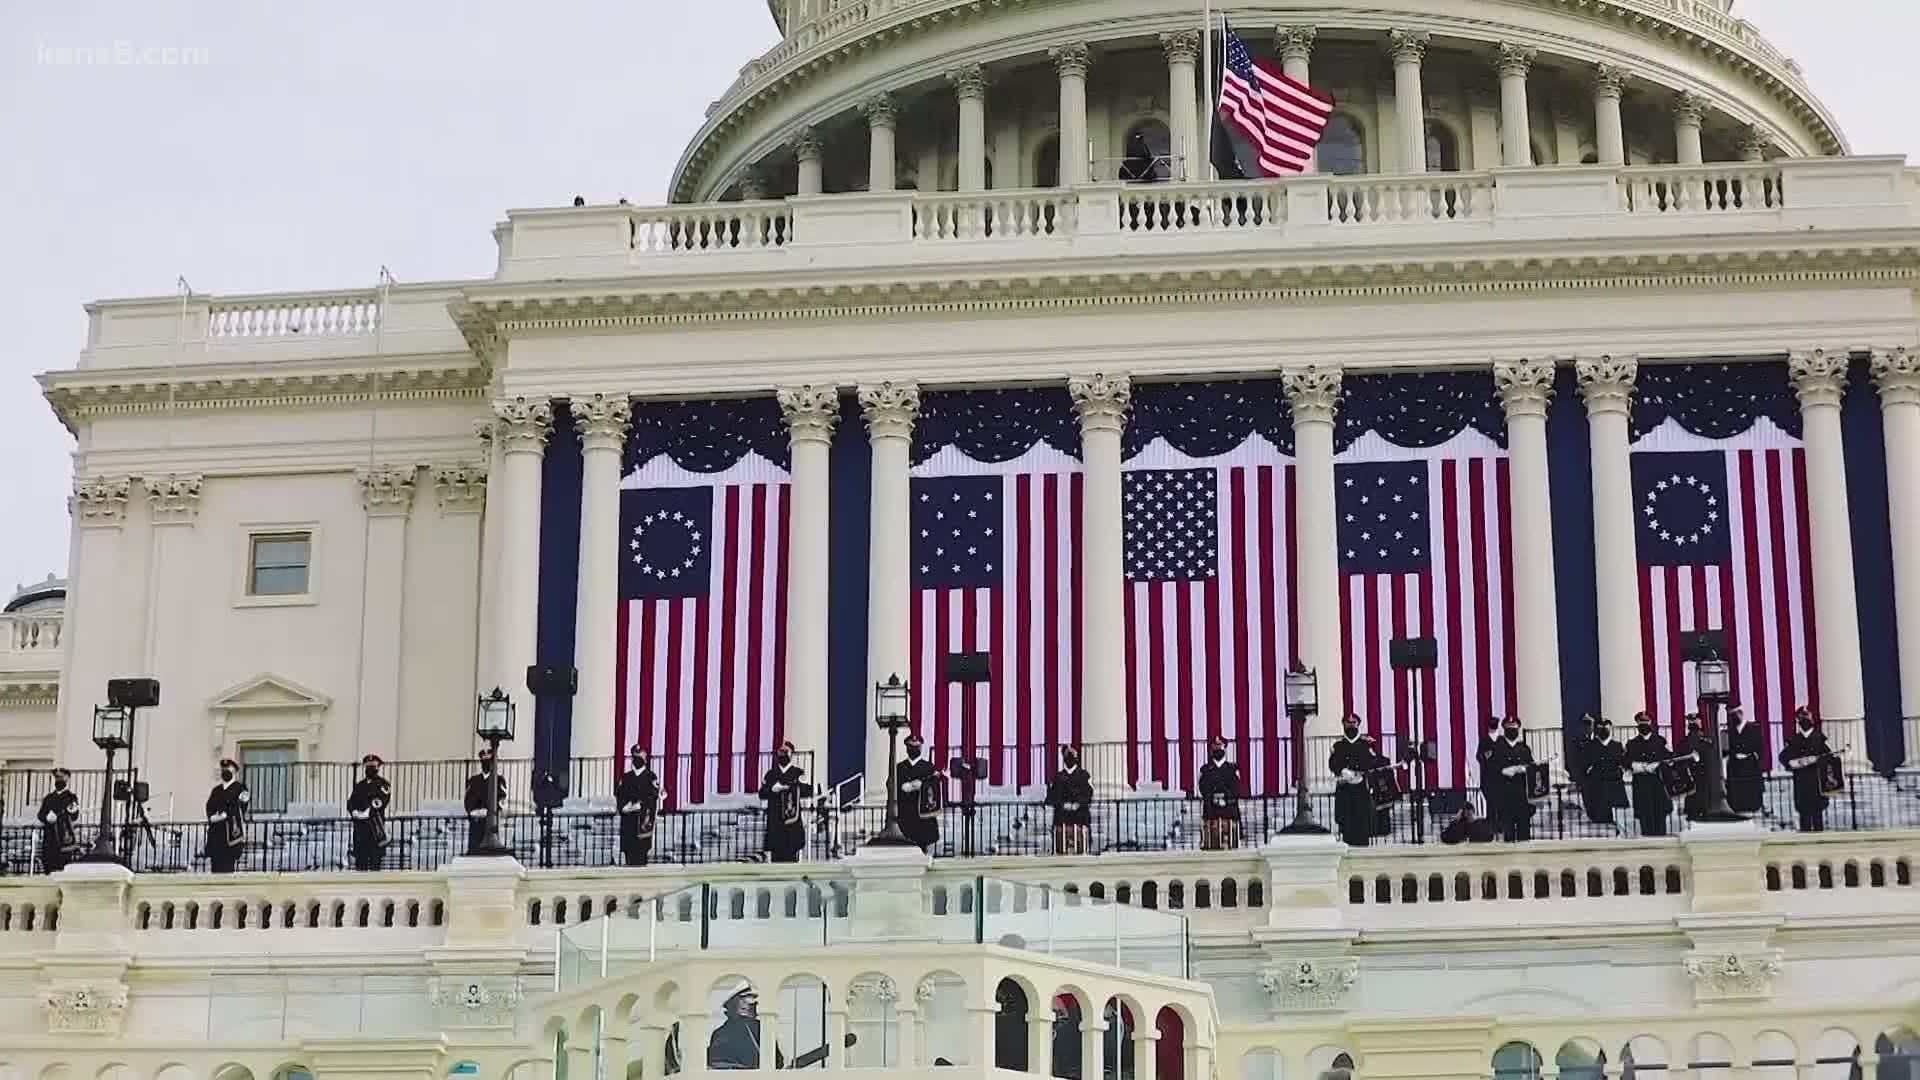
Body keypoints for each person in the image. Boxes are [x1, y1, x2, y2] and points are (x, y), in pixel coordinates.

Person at [1329, 716, 1385, 847]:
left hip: (1360, 787)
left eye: (1353, 723)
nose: (1351, 726)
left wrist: (1362, 772)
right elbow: (1333, 763)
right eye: (1348, 723)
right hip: (1345, 788)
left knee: (1362, 819)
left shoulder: (1366, 744)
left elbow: (1374, 762)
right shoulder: (1338, 745)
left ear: (1358, 724)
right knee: (1346, 819)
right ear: (1343, 724)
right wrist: (1342, 770)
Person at [1779, 707, 1832, 833]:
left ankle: (1819, 835)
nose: (1805, 720)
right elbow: (1783, 757)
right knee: (1804, 812)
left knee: (1817, 812)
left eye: (1807, 716)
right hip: (1801, 779)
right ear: (1798, 720)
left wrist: (1818, 762)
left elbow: (1828, 757)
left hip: (1816, 779)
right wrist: (1793, 764)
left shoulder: (1819, 738)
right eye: (1802, 717)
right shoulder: (1794, 740)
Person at [1623, 712, 1676, 837]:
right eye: (1641, 723)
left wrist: (1658, 765)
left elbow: (1670, 759)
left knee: (1659, 815)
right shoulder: (1632, 744)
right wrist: (1637, 766)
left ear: (1650, 723)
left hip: (1657, 783)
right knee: (1644, 815)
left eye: (1646, 722)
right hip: (1641, 784)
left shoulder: (1660, 741)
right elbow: (1625, 761)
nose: (1644, 725)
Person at [1483, 717, 1536, 842]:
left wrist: (1524, 769)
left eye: (1514, 728)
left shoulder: (1524, 749)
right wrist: (1503, 771)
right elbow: (1489, 770)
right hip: (1505, 797)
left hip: (1522, 796)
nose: (1512, 730)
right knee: (1508, 833)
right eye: (1509, 728)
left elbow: (1532, 767)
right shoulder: (1497, 748)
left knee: (1524, 833)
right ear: (1504, 729)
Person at [759, 742, 811, 862]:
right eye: (780, 752)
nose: (782, 754)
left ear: (791, 754)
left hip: (791, 821)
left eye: (785, 752)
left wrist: (790, 787)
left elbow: (807, 790)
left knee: (791, 854)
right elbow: (762, 793)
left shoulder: (798, 773)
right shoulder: (770, 774)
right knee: (776, 856)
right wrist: (772, 789)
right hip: (775, 820)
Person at [617, 746, 664, 867]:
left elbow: (654, 794)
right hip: (629, 819)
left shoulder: (650, 776)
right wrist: (625, 806)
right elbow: (620, 794)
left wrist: (641, 804)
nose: (637, 759)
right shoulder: (626, 777)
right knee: (629, 851)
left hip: (643, 819)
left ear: (645, 759)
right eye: (635, 757)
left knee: (641, 851)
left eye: (640, 757)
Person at [1578, 717, 1628, 830]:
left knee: (1616, 820)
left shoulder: (1617, 746)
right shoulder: (1590, 746)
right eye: (1600, 727)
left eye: (1606, 727)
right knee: (1598, 819)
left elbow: (1623, 763)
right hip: (1597, 786)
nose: (1603, 730)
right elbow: (1584, 766)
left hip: (1614, 785)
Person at [895, 734, 941, 854]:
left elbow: (935, 786)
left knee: (922, 844)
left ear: (920, 749)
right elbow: (891, 785)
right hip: (906, 811)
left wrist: (922, 785)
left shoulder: (928, 766)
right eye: (911, 747)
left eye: (917, 747)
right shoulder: (899, 767)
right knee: (907, 844)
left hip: (923, 812)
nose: (914, 749)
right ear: (907, 748)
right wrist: (902, 787)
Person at [205, 757, 250, 873]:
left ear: (234, 771)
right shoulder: (216, 790)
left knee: (227, 868)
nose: (225, 772)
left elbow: (242, 805)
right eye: (223, 769)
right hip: (216, 835)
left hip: (231, 834)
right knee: (215, 868)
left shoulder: (240, 788)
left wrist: (227, 815)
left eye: (228, 769)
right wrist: (212, 817)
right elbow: (209, 807)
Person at [347, 754, 390, 871]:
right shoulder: (359, 785)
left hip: (375, 827)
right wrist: (354, 811)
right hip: (360, 828)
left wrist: (368, 811)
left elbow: (381, 801)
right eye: (368, 766)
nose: (370, 768)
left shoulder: (383, 784)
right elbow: (351, 801)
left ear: (377, 767)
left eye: (373, 766)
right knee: (360, 862)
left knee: (375, 862)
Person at [1046, 748, 1093, 855]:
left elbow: (1088, 794)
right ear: (1064, 760)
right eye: (1068, 758)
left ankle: (1083, 848)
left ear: (1076, 760)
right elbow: (1053, 796)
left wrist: (1078, 804)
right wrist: (1063, 805)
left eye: (1072, 758)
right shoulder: (1058, 776)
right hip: (1063, 814)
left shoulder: (1084, 775)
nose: (1070, 760)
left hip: (1080, 813)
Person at [1197, 737, 1241, 850]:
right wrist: (1213, 797)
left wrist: (1226, 796)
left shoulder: (1232, 768)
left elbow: (1236, 788)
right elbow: (1203, 789)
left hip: (1229, 810)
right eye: (1215, 746)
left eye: (1219, 746)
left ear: (1224, 748)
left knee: (1231, 843)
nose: (1217, 748)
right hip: (1211, 810)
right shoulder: (1205, 769)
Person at [463, 747, 508, 854]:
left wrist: (492, 810)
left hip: (490, 819)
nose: (486, 763)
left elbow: (502, 797)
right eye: (484, 760)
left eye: (488, 760)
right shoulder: (474, 780)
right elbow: (468, 798)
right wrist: (473, 810)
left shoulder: (498, 780)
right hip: (476, 819)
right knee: (475, 846)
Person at [37, 769, 80, 874]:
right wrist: (47, 817)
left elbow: (74, 816)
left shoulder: (71, 797)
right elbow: (40, 815)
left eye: (61, 777)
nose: (59, 780)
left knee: (64, 867)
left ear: (67, 778)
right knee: (49, 866)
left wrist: (71, 811)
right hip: (50, 837)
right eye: (57, 777)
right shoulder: (49, 798)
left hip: (64, 836)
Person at [1723, 706, 1764, 814]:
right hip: (1735, 764)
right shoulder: (1729, 731)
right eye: (1730, 716)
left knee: (1750, 788)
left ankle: (1752, 807)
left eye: (1734, 715)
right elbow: (1725, 749)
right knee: (1737, 790)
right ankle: (1738, 808)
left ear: (1741, 713)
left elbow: (1759, 746)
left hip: (1749, 763)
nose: (1732, 718)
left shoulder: (1754, 728)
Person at [1680, 713, 1713, 820]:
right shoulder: (1684, 742)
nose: (1693, 723)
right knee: (1693, 811)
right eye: (1691, 721)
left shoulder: (1708, 741)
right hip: (1691, 778)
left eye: (1695, 721)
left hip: (1705, 779)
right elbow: (1680, 762)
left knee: (1706, 808)